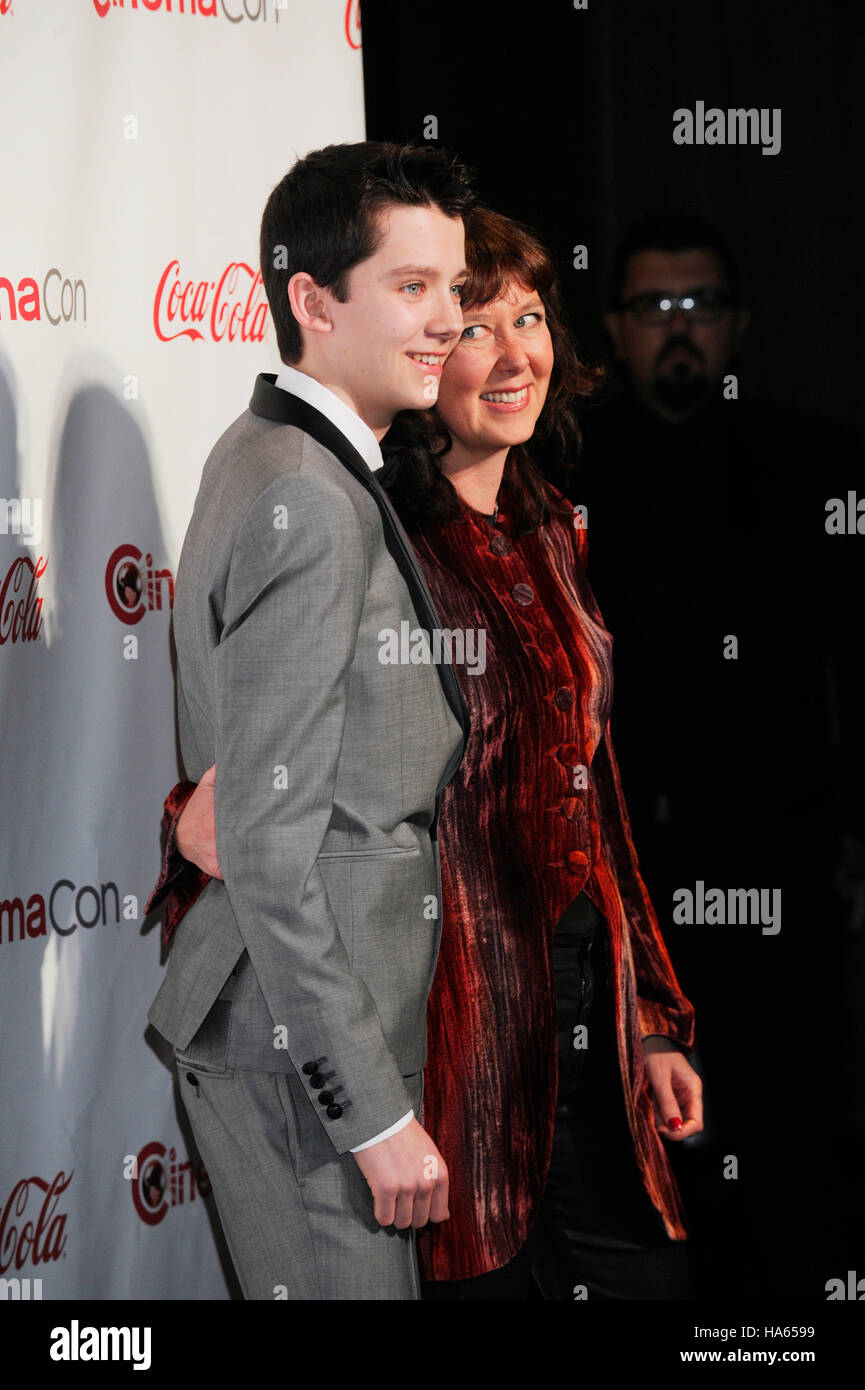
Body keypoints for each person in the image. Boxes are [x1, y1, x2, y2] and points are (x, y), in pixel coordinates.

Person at [151, 206, 703, 1299]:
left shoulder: (551, 530)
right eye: (473, 326)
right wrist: (187, 815)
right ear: (421, 360)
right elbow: (270, 773)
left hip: (583, 1012)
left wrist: (648, 1020)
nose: (514, 354)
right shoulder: (371, 535)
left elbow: (595, 793)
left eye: (531, 318)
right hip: (443, 1031)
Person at [145, 140, 476, 1301]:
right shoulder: (306, 492)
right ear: (310, 297)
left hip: (297, 1033)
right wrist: (370, 1109)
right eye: (411, 286)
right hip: (300, 1058)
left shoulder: (272, 454)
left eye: (454, 285)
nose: (448, 321)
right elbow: (273, 848)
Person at [578, 211, 863, 1295]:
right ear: (615, 325)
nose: (678, 328)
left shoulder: (815, 462)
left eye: (698, 305)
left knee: (786, 1134)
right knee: (641, 1146)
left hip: (784, 861)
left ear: (737, 323)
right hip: (622, 870)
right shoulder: (566, 468)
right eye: (654, 307)